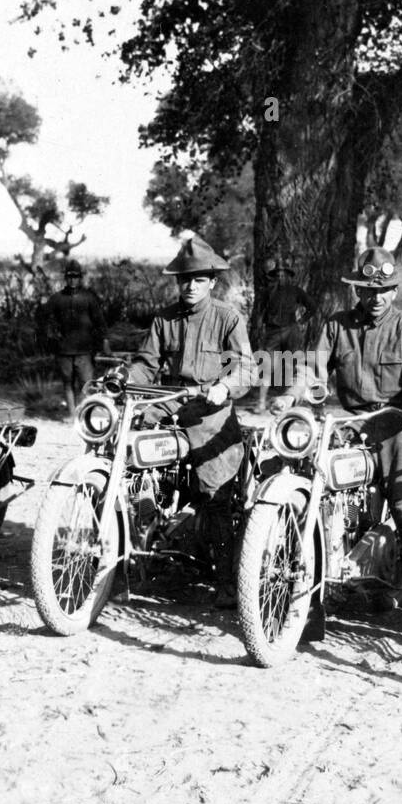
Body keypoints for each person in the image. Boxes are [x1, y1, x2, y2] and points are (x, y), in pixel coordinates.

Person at [271, 246, 402, 639]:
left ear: (395, 291)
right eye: (368, 290)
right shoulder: (337, 326)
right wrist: (291, 394)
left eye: (384, 290)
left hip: (399, 424)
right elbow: (312, 371)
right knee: (320, 497)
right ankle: (310, 605)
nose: (376, 297)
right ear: (357, 291)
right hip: (352, 423)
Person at [126, 235, 255, 608]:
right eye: (185, 279)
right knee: (123, 444)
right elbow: (146, 364)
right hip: (169, 402)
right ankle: (134, 527)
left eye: (199, 279)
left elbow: (245, 368)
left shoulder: (228, 318)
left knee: (215, 493)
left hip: (211, 410)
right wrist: (127, 383)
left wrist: (224, 388)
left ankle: (228, 584)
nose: (191, 285)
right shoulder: (164, 318)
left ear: (212, 282)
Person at [39, 259, 108, 419]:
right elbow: (43, 319)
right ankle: (71, 415)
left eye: (76, 277)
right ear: (65, 278)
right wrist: (51, 334)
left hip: (84, 350)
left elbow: (100, 322)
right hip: (63, 350)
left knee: (86, 384)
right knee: (67, 383)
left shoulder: (89, 297)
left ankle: (84, 414)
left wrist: (103, 342)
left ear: (80, 278)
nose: (72, 280)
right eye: (69, 276)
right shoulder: (57, 298)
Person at [255, 259, 312, 414]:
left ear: (289, 276)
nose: (280, 278)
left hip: (291, 330)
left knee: (292, 365)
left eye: (283, 275)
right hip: (272, 332)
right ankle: (261, 403)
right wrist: (261, 328)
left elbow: (311, 307)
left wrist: (301, 322)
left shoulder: (296, 291)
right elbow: (260, 312)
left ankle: (288, 401)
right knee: (267, 367)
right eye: (278, 275)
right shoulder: (268, 292)